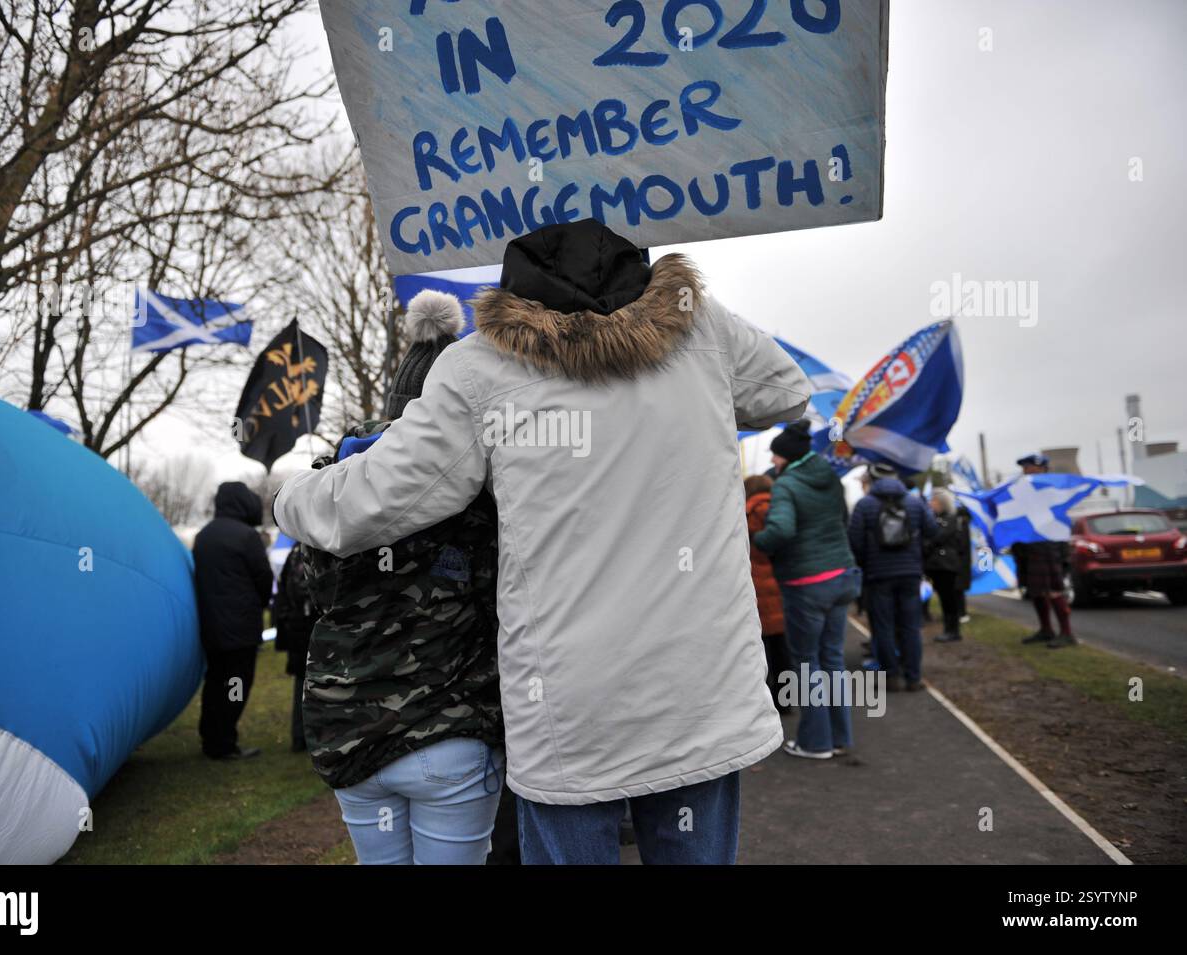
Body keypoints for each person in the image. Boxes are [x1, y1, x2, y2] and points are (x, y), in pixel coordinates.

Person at [275, 219, 811, 865]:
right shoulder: (703, 329)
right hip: (699, 690)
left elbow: (371, 500)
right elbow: (786, 391)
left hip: (570, 708)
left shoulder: (479, 367)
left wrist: (283, 495)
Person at [297, 289, 507, 865]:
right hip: (451, 731)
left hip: (349, 728)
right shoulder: (486, 470)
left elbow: (308, 588)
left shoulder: (339, 470)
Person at [752, 420, 861, 758]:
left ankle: (815, 742)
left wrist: (755, 541)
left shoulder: (785, 486)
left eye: (776, 457)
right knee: (832, 659)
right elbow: (842, 521)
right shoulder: (828, 478)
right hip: (841, 575)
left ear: (787, 457)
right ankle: (840, 737)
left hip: (806, 584)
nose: (774, 462)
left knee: (807, 663)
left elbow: (781, 530)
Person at [193, 481, 274, 760]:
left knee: (215, 681)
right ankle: (225, 742)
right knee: (237, 684)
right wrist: (259, 605)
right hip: (241, 628)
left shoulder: (204, 536)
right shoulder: (246, 537)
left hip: (211, 626)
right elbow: (264, 578)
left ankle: (211, 738)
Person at [848, 462, 938, 692]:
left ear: (872, 479)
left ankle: (891, 676)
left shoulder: (865, 505)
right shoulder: (914, 502)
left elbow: (854, 541)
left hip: (878, 575)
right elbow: (932, 530)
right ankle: (913, 677)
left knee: (883, 627)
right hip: (910, 573)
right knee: (911, 627)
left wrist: (866, 562)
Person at [1012, 453, 1077, 648]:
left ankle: (1066, 633)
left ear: (1041, 468)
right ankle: (1046, 629)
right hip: (1027, 545)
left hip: (1048, 544)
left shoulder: (1052, 489)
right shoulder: (1022, 490)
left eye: (1029, 466)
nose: (1026, 470)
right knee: (1036, 591)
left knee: (1053, 590)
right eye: (1024, 467)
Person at [745, 473, 791, 715]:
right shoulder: (779, 511)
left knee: (759, 647)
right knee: (782, 646)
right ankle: (785, 698)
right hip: (779, 582)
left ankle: (763, 698)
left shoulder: (744, 513)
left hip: (755, 584)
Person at [272, 541, 317, 752]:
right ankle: (307, 736)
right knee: (310, 683)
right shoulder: (315, 551)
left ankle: (300, 736)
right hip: (310, 627)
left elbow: (283, 594)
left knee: (303, 683)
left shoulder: (295, 553)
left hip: (297, 627)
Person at [924, 489, 972, 643]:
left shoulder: (951, 519)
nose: (931, 504)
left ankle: (953, 631)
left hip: (946, 565)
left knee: (949, 599)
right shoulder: (936, 518)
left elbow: (939, 537)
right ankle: (949, 629)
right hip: (937, 565)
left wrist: (927, 544)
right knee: (945, 599)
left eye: (935, 501)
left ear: (943, 503)